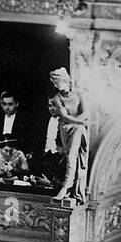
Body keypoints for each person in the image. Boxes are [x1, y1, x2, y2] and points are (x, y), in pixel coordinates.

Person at [49, 68, 88, 203]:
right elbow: (64, 116)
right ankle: (72, 189)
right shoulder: (56, 99)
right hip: (66, 128)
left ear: (64, 80)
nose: (54, 85)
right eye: (53, 82)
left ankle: (66, 187)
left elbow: (86, 112)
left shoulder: (79, 93)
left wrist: (78, 122)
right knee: (70, 156)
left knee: (72, 156)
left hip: (77, 128)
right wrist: (78, 121)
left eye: (56, 81)